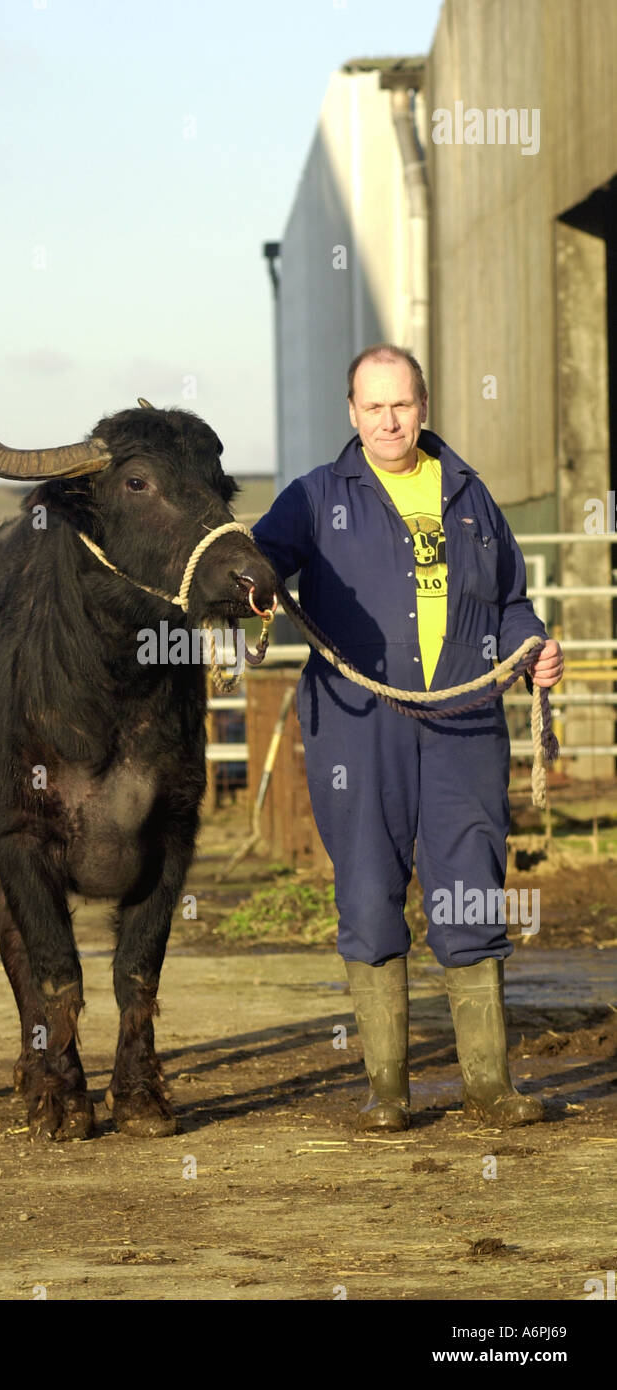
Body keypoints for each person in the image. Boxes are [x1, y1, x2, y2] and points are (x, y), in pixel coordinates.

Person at [251, 344, 563, 1131]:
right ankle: (388, 1092)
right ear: (352, 414)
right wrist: (247, 588)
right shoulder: (315, 497)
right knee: (367, 888)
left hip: (464, 722)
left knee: (471, 887)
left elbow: (513, 604)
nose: (390, 420)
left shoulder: (469, 495)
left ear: (423, 407)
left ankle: (488, 1087)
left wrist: (536, 645)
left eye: (403, 405)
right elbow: (256, 565)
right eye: (374, 406)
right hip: (358, 724)